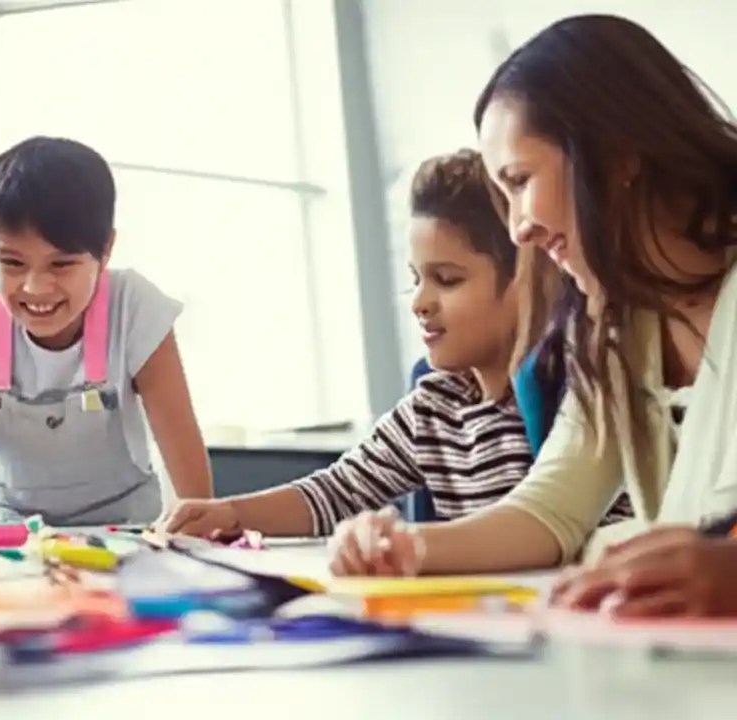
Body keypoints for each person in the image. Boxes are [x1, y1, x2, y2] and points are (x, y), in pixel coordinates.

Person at [330, 15, 737, 617]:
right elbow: (549, 509)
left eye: (521, 181)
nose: (519, 226)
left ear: (617, 154)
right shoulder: (618, 326)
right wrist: (406, 548)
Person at [158, 150, 630, 545]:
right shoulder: (434, 406)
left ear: (529, 278)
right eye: (415, 279)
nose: (421, 302)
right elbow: (337, 491)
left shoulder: (582, 392)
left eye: (447, 280)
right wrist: (230, 514)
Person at [0, 136, 214, 525]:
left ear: (106, 250)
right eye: (12, 263)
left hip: (126, 529)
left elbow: (179, 440)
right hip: (9, 533)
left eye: (61, 265)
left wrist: (200, 521)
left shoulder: (136, 307)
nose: (36, 288)